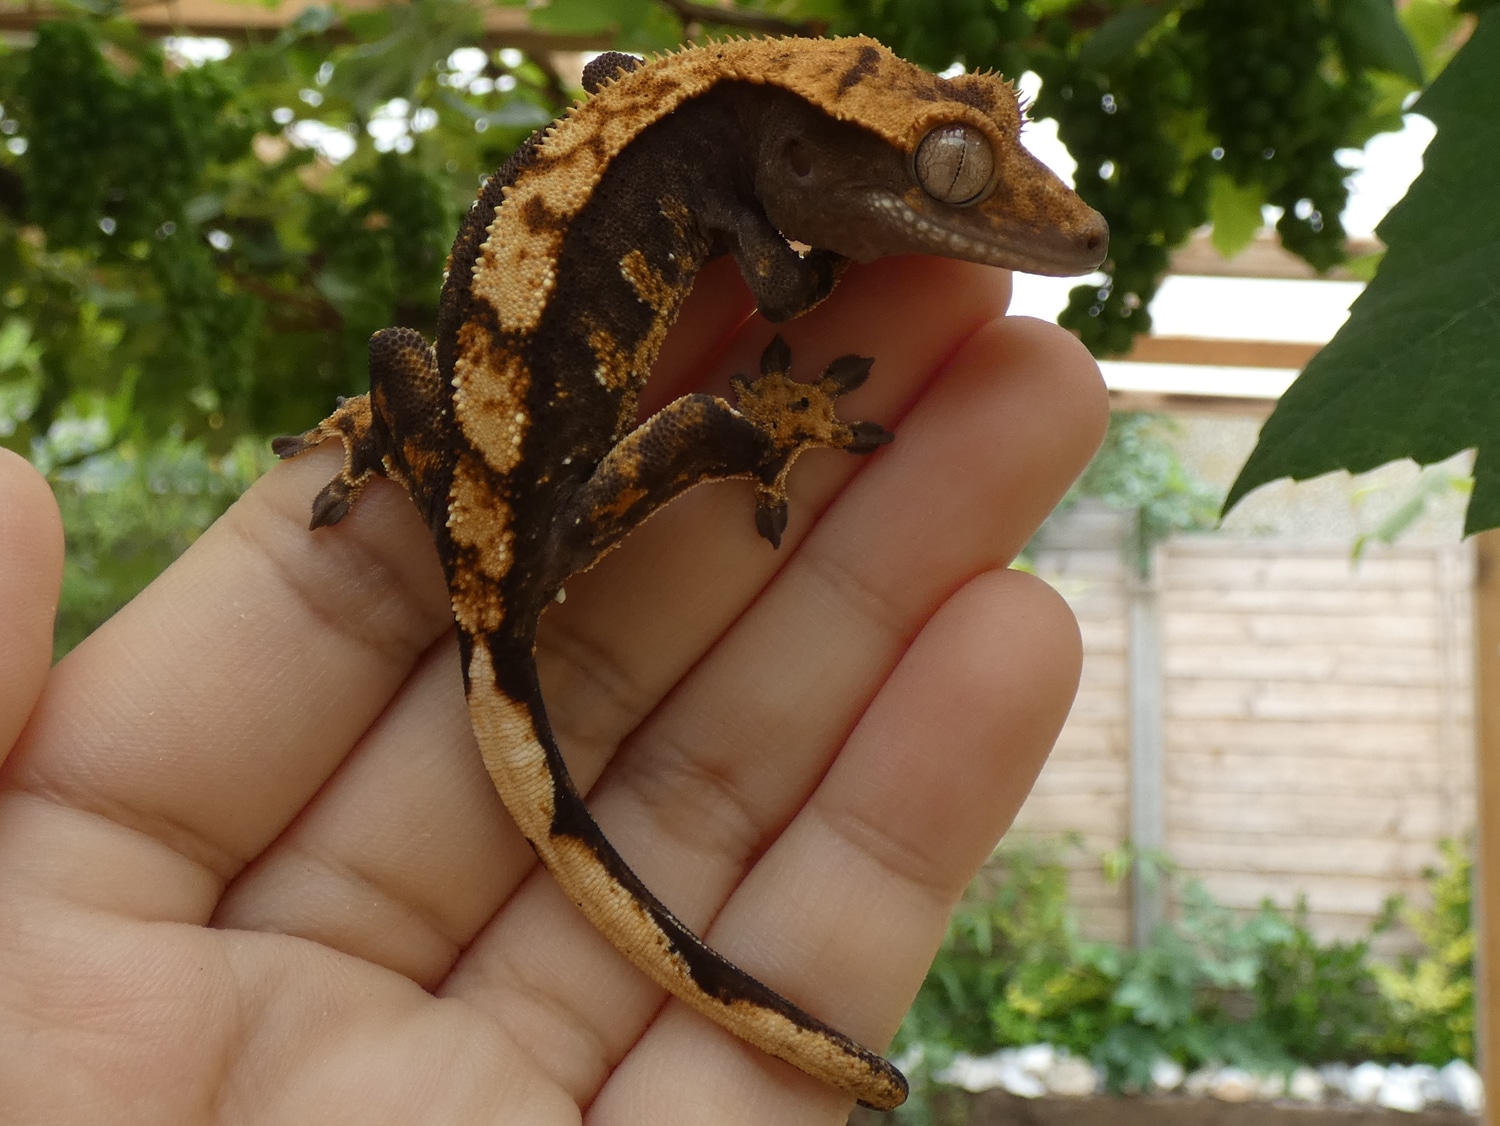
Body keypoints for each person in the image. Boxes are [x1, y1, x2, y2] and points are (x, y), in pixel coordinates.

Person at [0, 253, 1105, 1124]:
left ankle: (405, 438)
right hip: (519, 515)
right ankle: (758, 428)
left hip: (485, 496)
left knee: (409, 363)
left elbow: (402, 347)